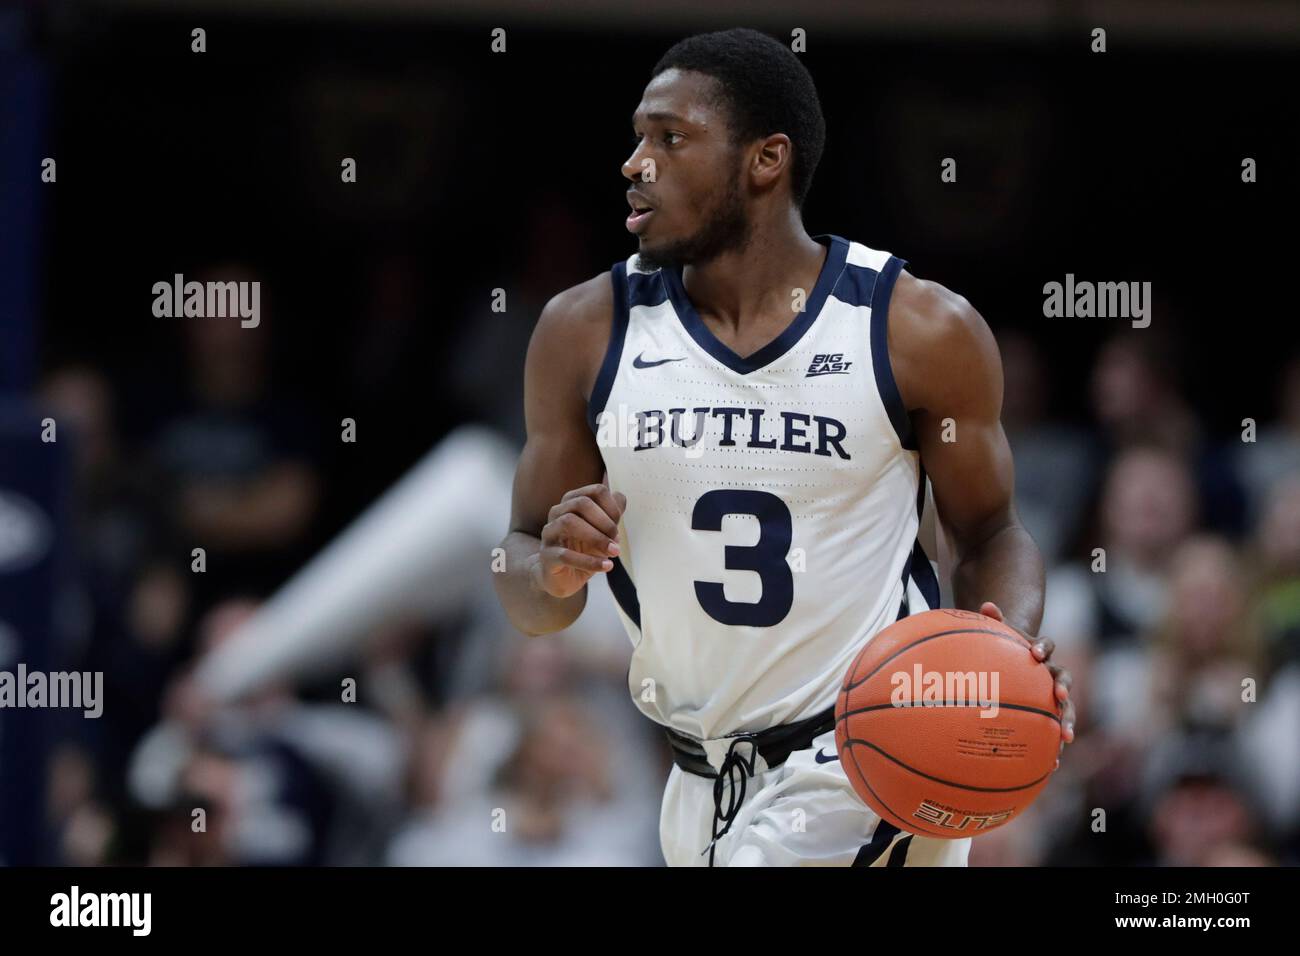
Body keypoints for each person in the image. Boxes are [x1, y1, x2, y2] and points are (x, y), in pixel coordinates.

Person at [493, 27, 1073, 867]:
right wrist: (549, 569)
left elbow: (991, 533)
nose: (634, 162)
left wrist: (1006, 653)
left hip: (862, 762)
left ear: (766, 160)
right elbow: (521, 579)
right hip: (696, 782)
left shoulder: (917, 329)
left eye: (670, 138)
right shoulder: (583, 331)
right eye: (636, 136)